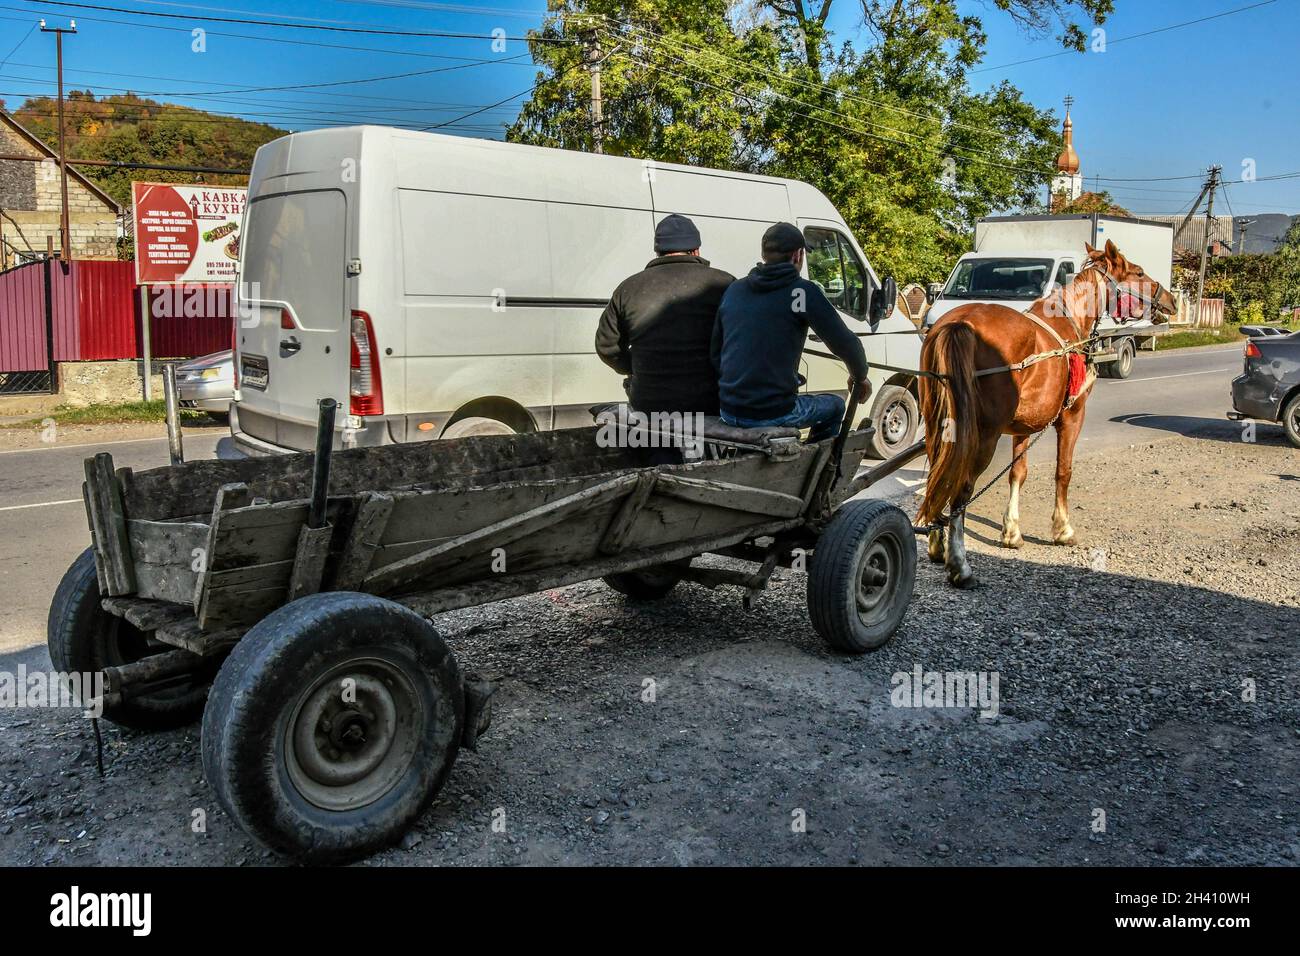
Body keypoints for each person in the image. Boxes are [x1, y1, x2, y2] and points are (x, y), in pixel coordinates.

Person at [711, 222, 871, 441]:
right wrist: (859, 375)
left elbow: (715, 352)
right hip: (773, 413)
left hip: (728, 410)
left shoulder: (736, 289)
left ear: (763, 254)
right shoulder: (801, 293)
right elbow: (845, 343)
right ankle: (817, 470)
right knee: (835, 405)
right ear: (798, 255)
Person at [595, 214, 735, 416]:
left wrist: (637, 367)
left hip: (650, 402)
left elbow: (606, 347)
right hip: (711, 400)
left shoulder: (628, 288)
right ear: (696, 249)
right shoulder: (725, 284)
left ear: (658, 250)